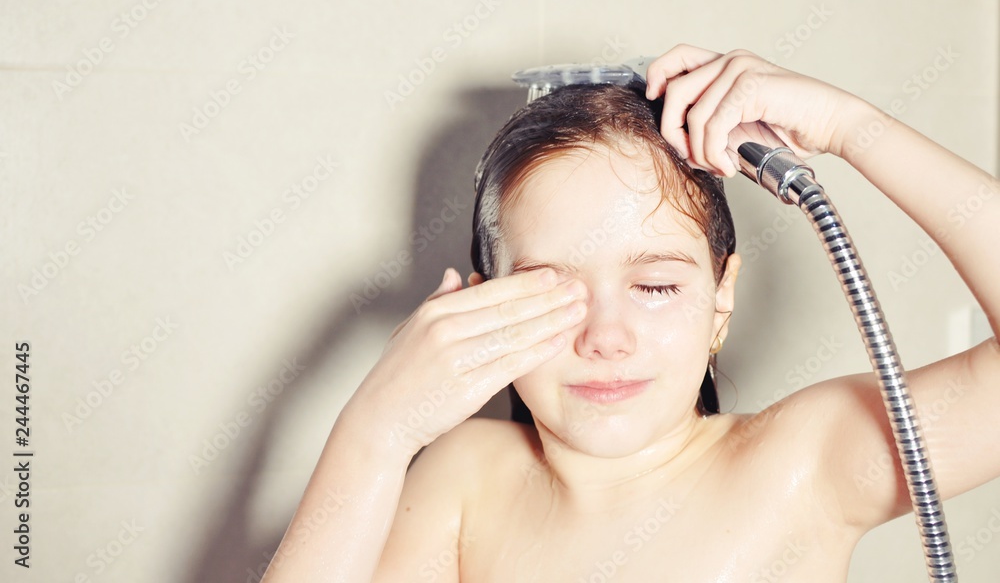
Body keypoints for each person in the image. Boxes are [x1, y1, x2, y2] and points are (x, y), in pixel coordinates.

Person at [261, 45, 1000, 582]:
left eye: (654, 287)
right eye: (553, 289)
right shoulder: (464, 482)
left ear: (721, 300)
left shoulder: (804, 464)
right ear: (481, 309)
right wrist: (373, 434)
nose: (604, 338)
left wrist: (849, 126)